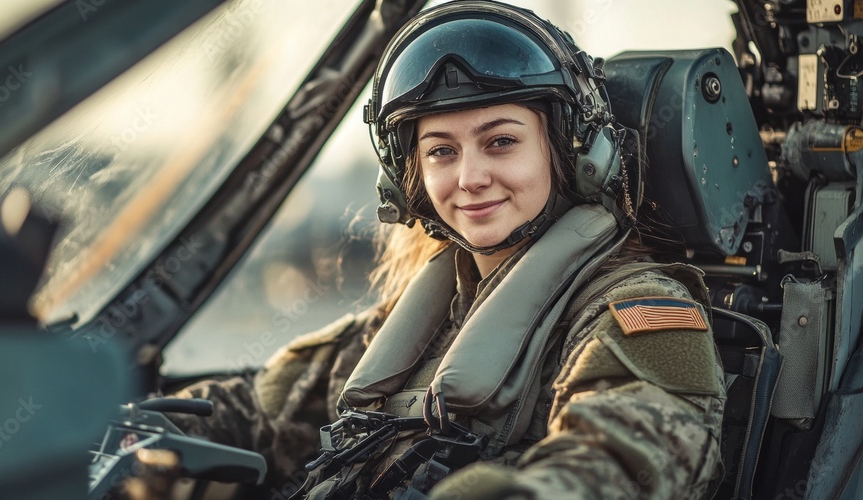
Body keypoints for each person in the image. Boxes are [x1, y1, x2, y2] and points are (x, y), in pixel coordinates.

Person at [167, 2, 726, 498]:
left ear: (573, 153)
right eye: (440, 151)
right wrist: (162, 443)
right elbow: (262, 411)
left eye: (500, 142)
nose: (470, 177)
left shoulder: (638, 315)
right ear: (407, 179)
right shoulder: (422, 321)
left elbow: (627, 458)